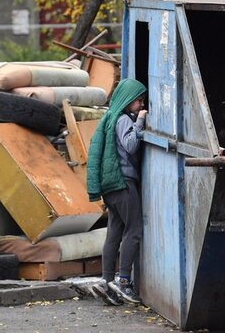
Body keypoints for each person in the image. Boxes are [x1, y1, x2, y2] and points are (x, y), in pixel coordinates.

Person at [86, 78, 147, 306]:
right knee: (135, 230)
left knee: (114, 233)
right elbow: (131, 145)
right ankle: (123, 282)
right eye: (138, 100)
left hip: (110, 187)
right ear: (128, 100)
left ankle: (106, 282)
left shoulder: (110, 118)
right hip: (123, 183)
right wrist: (140, 123)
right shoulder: (122, 119)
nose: (141, 104)